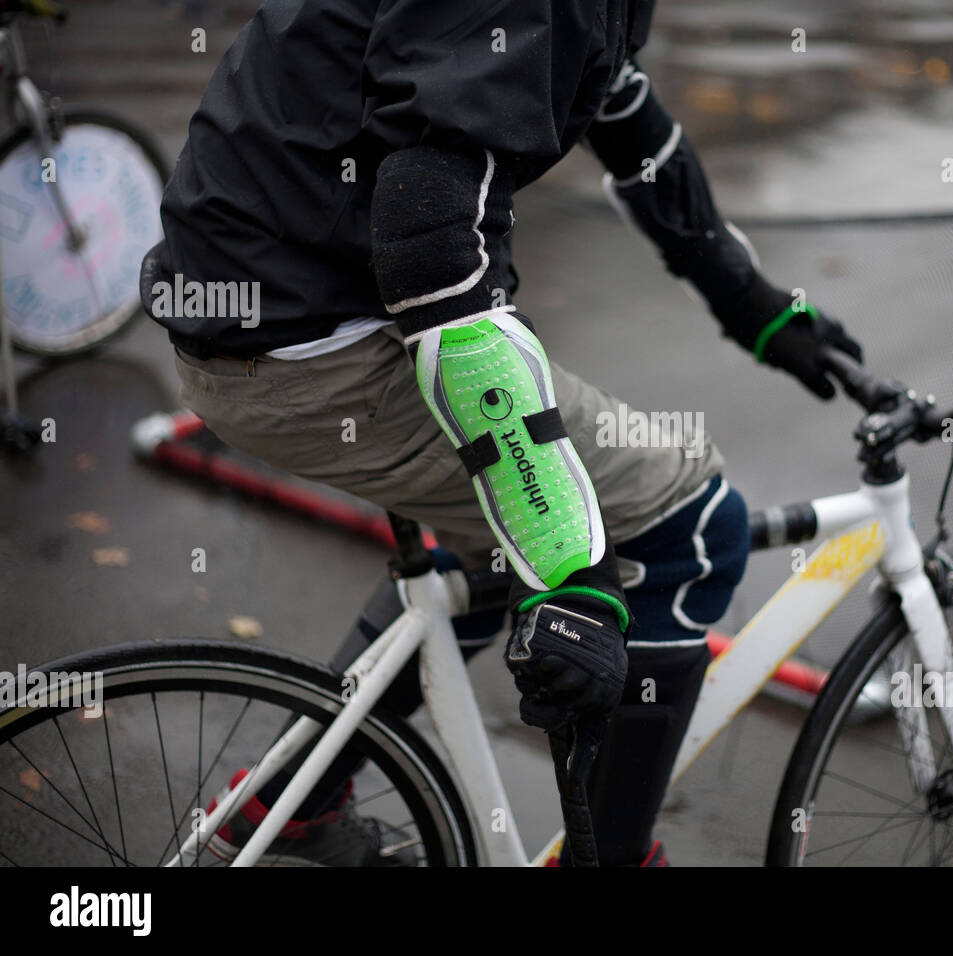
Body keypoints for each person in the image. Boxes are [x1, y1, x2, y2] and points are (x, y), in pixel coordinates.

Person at [141, 0, 862, 867]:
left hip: (255, 313)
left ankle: (288, 801)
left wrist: (753, 305)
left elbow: (623, 113)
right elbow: (431, 246)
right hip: (325, 343)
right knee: (693, 530)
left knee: (495, 544)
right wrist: (571, 562)